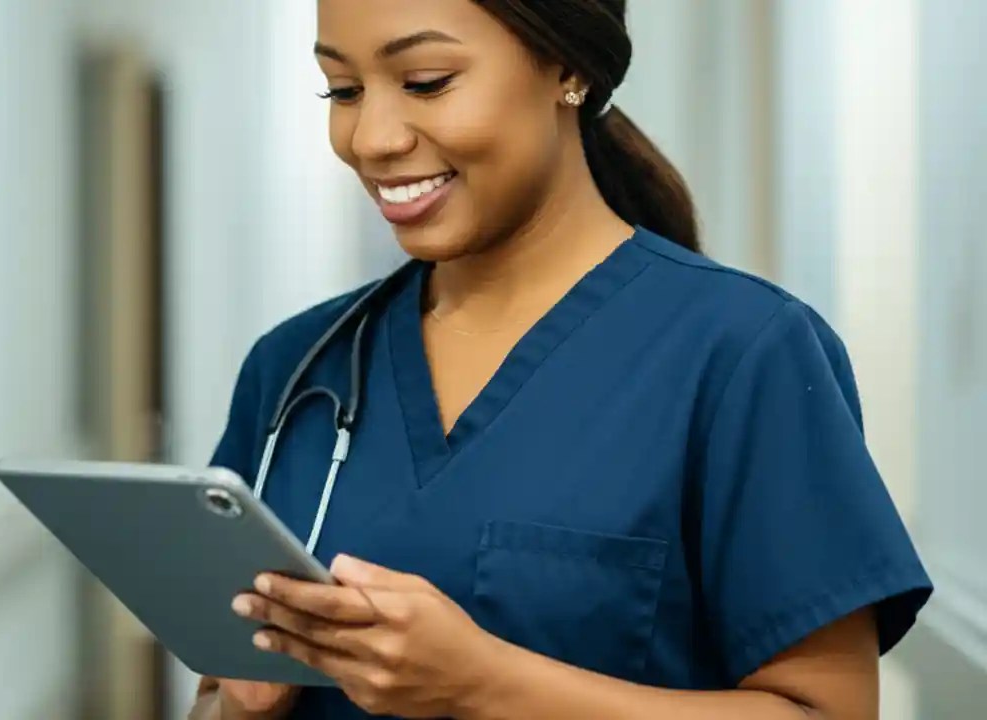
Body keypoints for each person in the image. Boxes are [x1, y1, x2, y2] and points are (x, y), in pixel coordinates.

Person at [190, 1, 932, 718]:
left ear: (568, 67)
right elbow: (214, 697)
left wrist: (483, 685)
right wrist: (245, 708)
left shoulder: (744, 352)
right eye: (344, 90)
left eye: (426, 82)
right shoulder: (295, 368)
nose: (372, 138)